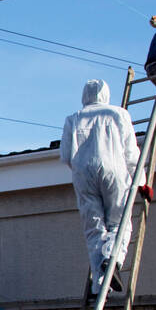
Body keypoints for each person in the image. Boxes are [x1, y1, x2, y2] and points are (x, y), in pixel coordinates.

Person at [60, 79, 141, 295]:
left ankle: (100, 285)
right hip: (114, 170)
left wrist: (80, 167)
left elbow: (65, 155)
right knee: (119, 223)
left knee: (94, 229)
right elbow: (131, 154)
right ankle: (112, 260)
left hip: (83, 174)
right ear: (105, 94)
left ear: (84, 95)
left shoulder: (73, 119)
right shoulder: (118, 114)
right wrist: (140, 181)